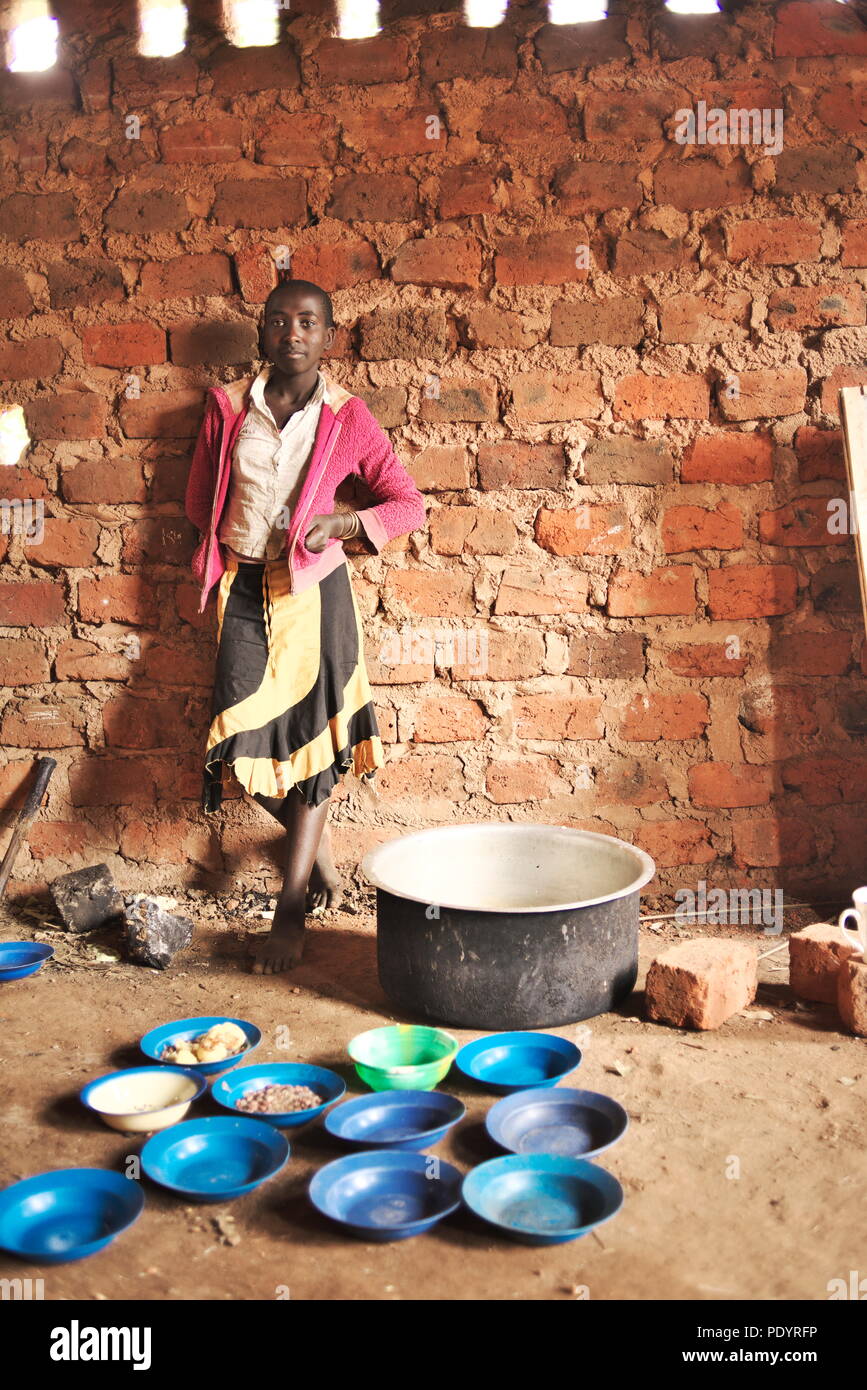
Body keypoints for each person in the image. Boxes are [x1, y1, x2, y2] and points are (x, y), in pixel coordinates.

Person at [184, 278, 426, 973]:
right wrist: (226, 546)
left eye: (308, 323)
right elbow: (202, 497)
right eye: (280, 321)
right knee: (236, 740)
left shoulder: (348, 417)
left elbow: (405, 503)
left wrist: (347, 523)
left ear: (328, 335)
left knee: (316, 746)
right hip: (243, 586)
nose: (292, 333)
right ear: (262, 332)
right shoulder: (226, 408)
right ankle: (311, 851)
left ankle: (290, 912)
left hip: (314, 595)